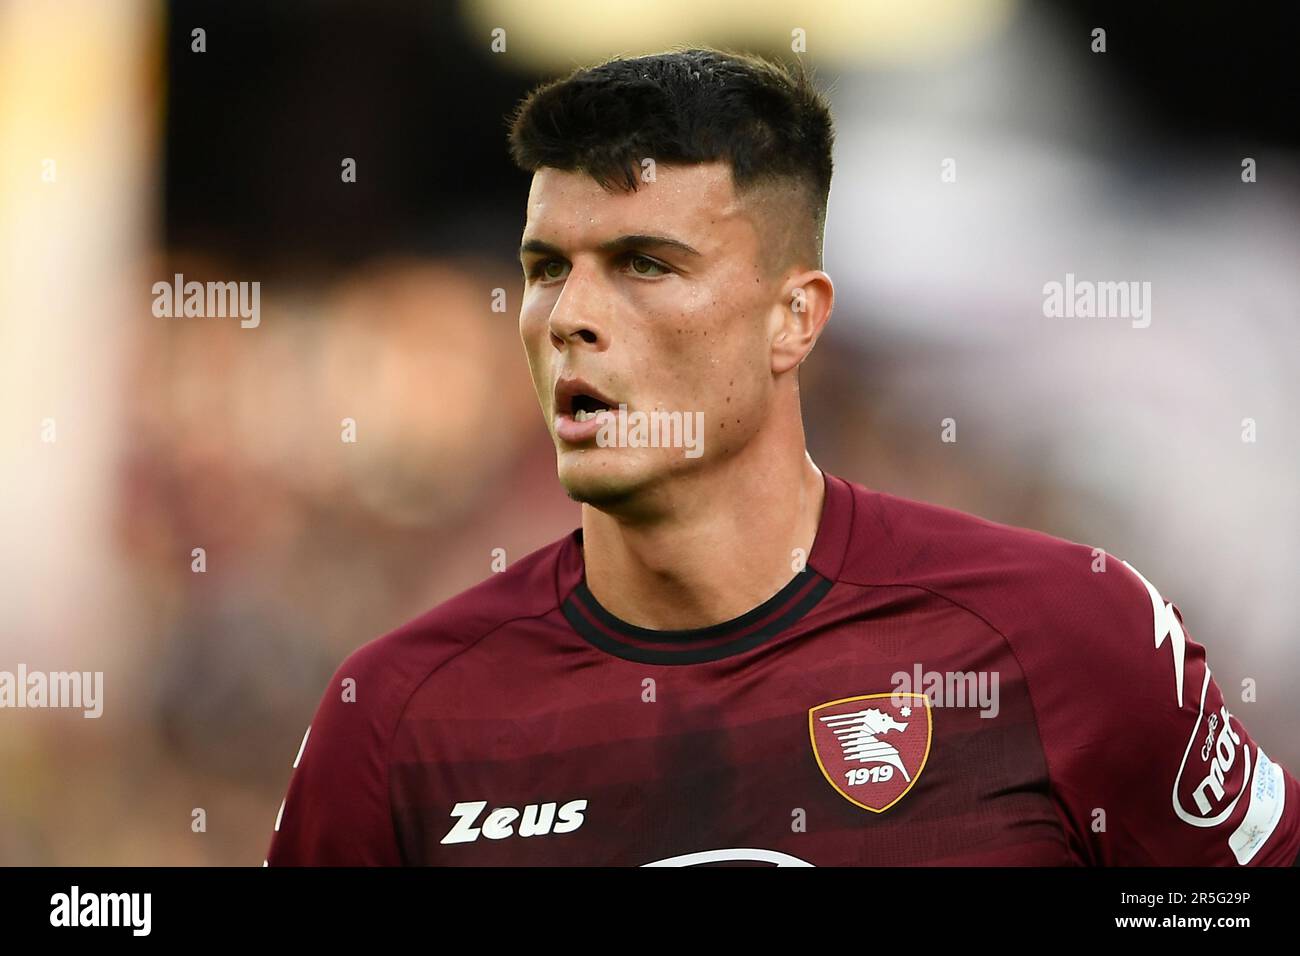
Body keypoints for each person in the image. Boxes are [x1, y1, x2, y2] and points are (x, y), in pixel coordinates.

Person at [266, 47, 1298, 866]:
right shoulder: (398, 717)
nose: (571, 317)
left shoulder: (1062, 635)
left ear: (792, 320)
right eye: (547, 268)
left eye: (643, 266)